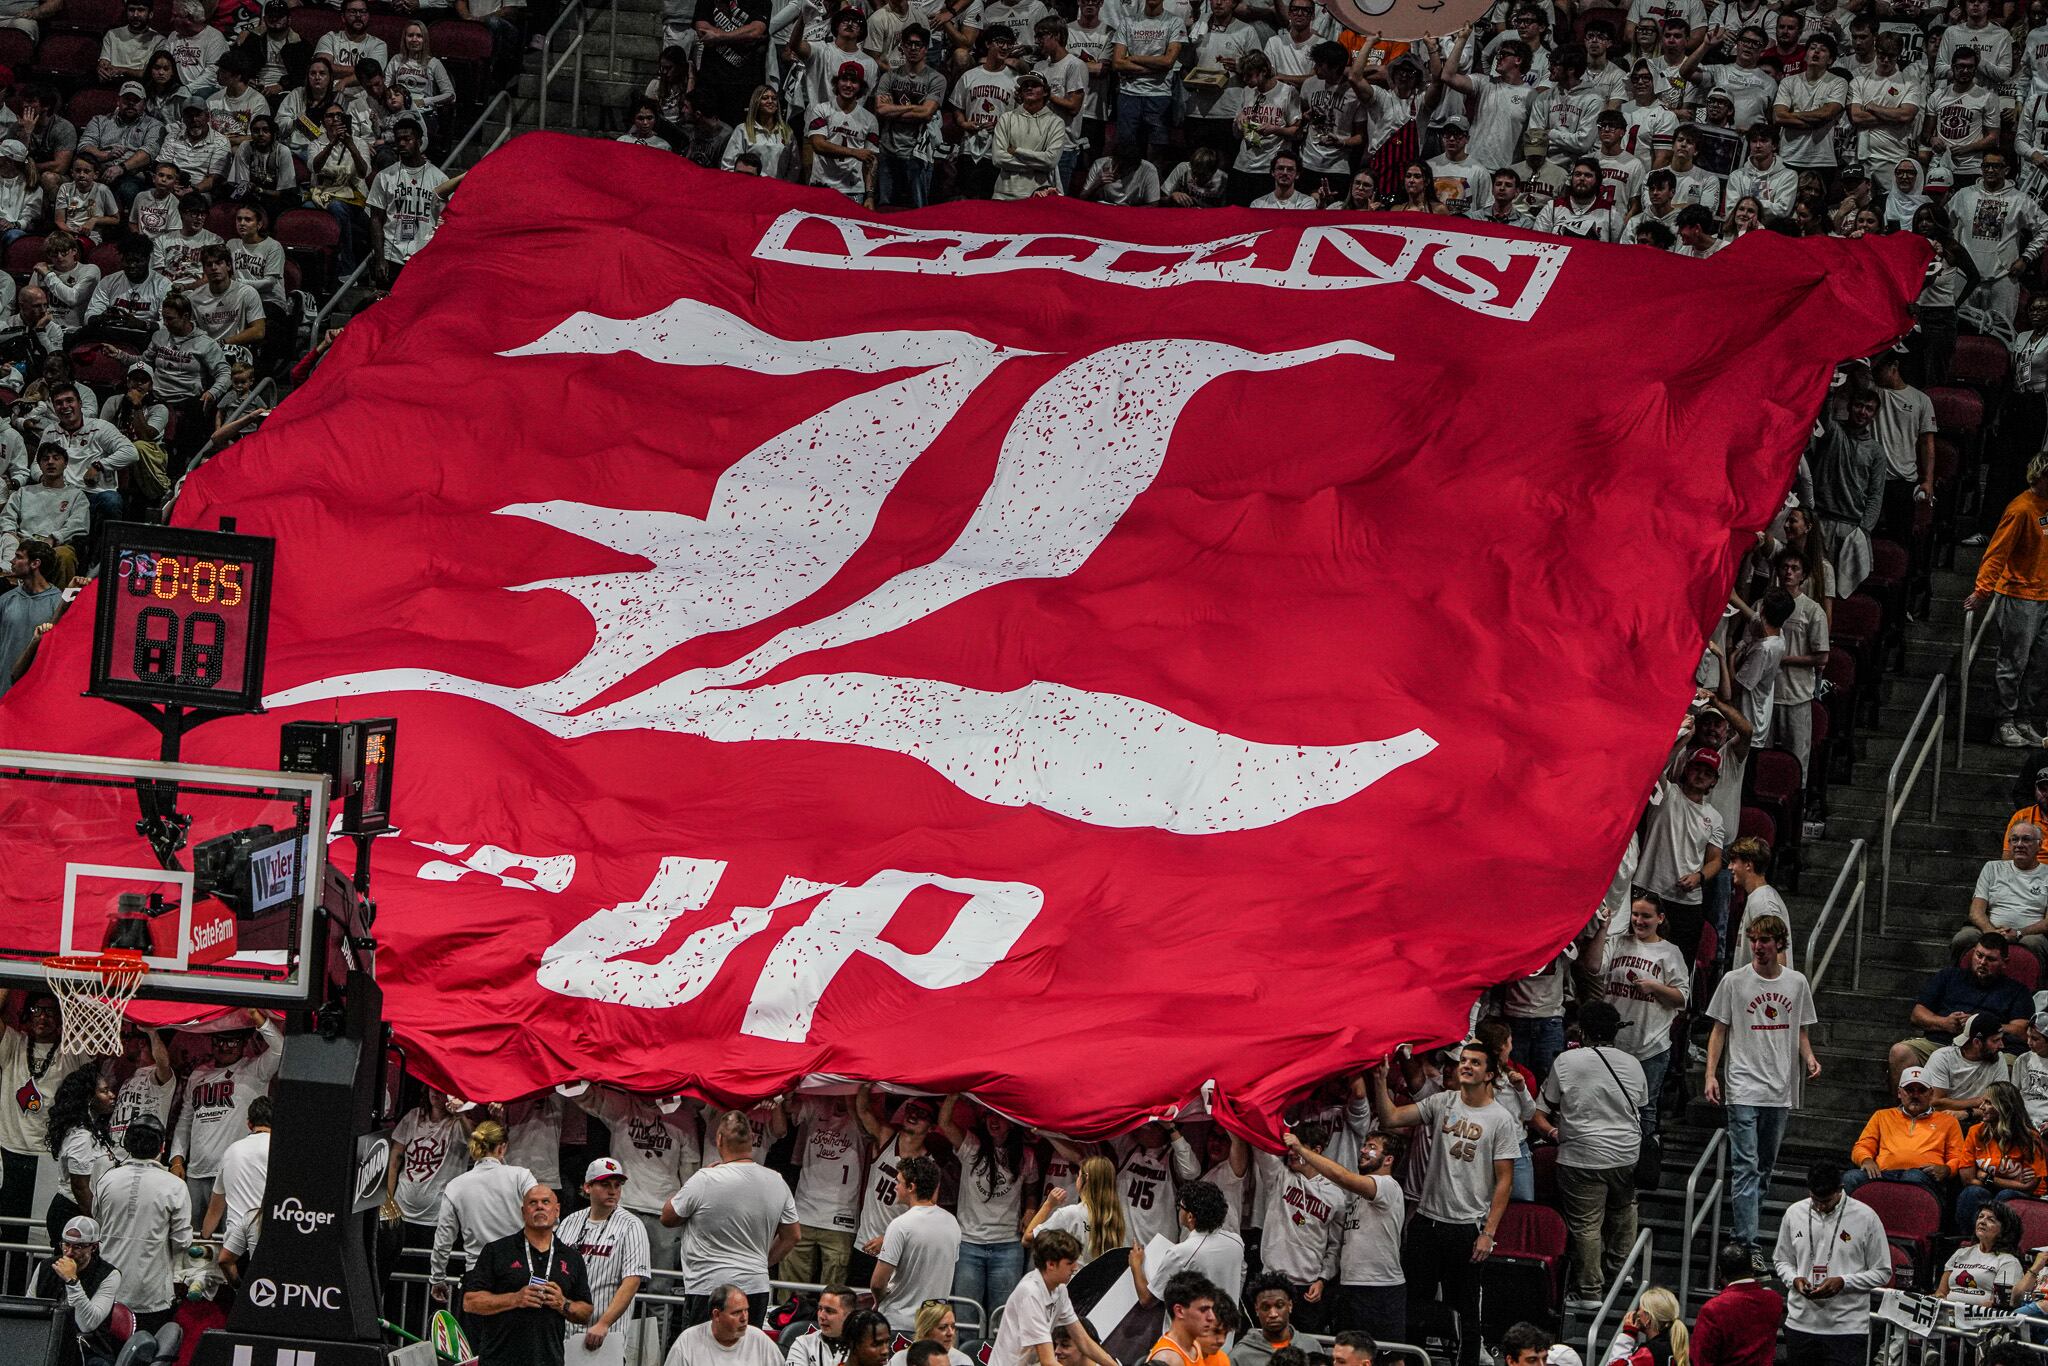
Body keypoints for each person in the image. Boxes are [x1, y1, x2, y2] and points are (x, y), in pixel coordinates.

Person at [1371, 1041, 1516, 1366]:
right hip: (1426, 1220)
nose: (1465, 1066)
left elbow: (1505, 1180)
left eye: (1475, 1062)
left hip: (1466, 1227)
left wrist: (1488, 1233)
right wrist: (1380, 1081)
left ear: (1490, 1074)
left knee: (1466, 1312)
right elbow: (1390, 1117)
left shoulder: (1500, 1118)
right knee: (1414, 1305)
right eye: (1464, 1060)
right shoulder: (1442, 1101)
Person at [1704, 914, 1819, 1270]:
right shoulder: (1734, 981)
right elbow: (1719, 1029)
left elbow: (1800, 1028)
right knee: (1746, 1166)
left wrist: (1810, 1057)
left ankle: (1743, 1230)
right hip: (1743, 1085)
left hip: (1779, 1086)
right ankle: (1747, 1242)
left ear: (1779, 943)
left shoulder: (1796, 982)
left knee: (1764, 1167)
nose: (1758, 946)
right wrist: (1710, 1074)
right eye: (1753, 940)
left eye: (1765, 940)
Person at [1535, 1001, 1645, 1310]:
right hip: (1625, 1153)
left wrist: (1553, 1133)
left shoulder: (1567, 1061)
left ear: (1582, 1031)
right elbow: (1642, 1104)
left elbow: (1546, 1105)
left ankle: (1589, 1292)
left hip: (1580, 1155)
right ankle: (1622, 1271)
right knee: (1624, 1210)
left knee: (1586, 1225)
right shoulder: (1632, 1063)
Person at [662, 1109, 799, 1326]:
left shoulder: (705, 1179)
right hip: (754, 1285)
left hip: (709, 1286)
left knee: (703, 1347)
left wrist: (695, 1182)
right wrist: (762, 1262)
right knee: (745, 1347)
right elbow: (792, 1236)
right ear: (752, 1139)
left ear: (719, 1139)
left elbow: (668, 1218)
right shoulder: (777, 1181)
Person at [1286, 1129, 1404, 1343]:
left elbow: (1342, 1177)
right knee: (1347, 1351)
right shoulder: (1359, 1197)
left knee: (1388, 1355)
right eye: (1364, 1145)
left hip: (1379, 1287)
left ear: (1388, 1159)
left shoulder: (1388, 1186)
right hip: (1351, 1285)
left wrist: (1300, 1149)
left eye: (1372, 1147)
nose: (1363, 1150)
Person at [463, 1184, 594, 1366]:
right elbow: (470, 1302)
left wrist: (563, 1304)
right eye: (533, 1202)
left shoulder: (572, 1258)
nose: (539, 1206)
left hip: (549, 1360)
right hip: (499, 1360)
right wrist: (515, 1299)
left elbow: (586, 1313)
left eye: (546, 1202)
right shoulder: (497, 1250)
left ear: (557, 1210)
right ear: (523, 1212)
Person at [1771, 1159, 1887, 1365]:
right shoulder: (1794, 1213)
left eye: (1826, 1200)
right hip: (1800, 1324)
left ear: (1840, 1189)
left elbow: (1883, 1271)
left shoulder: (1866, 1217)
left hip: (1847, 1329)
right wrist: (1794, 1280)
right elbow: (1781, 1260)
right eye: (1815, 1199)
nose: (1821, 1206)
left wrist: (1844, 1282)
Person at [168, 1010, 279, 1223]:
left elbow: (280, 1048)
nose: (224, 1047)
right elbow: (185, 1121)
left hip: (235, 1173)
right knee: (191, 1235)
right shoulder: (198, 1073)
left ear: (244, 1043)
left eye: (232, 1042)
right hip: (196, 1172)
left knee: (230, 1237)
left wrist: (257, 1016)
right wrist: (177, 1160)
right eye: (219, 1041)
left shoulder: (255, 1069)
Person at [1969, 452, 2048, 746]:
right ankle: (2004, 722)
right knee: (2014, 661)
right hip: (2019, 594)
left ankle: (2024, 719)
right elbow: (1997, 553)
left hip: (2045, 593)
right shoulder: (2020, 509)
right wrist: (1982, 590)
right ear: (2041, 476)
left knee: (2041, 663)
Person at [91, 1120, 189, 1335]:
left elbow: (97, 1225)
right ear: (162, 1147)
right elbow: (182, 1241)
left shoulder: (107, 1180)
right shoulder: (176, 1186)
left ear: (127, 1144)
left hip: (108, 1290)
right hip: (152, 1294)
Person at [1891, 934, 2034, 1078]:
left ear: (2004, 962)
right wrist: (1944, 1023)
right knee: (1900, 1052)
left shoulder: (2017, 990)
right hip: (1942, 1043)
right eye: (1979, 955)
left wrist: (1980, 1025)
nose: (1982, 962)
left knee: (2010, 1065)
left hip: (1991, 1052)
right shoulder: (1948, 976)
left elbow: (2021, 1030)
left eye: (1990, 959)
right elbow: (1917, 1014)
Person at [937, 1095, 1032, 1313]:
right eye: (989, 1114)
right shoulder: (971, 1146)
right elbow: (944, 1122)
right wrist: (954, 1094)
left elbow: (1032, 1190)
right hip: (969, 1244)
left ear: (1012, 1121)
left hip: (1008, 1245)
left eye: (1000, 1115)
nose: (993, 1120)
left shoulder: (1026, 1156)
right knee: (965, 1314)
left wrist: (1031, 1209)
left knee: (1003, 1316)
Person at [0, 990, 80, 1237]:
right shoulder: (14, 1042)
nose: (42, 1017)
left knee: (43, 1235)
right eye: (36, 1010)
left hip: (50, 1156)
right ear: (27, 1014)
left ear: (61, 1016)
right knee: (9, 1231)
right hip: (11, 1150)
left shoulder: (72, 1050)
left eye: (50, 1011)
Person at [431, 1120, 540, 1298]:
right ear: (502, 1147)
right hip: (519, 1272)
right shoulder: (522, 1176)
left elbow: (443, 1238)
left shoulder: (455, 1186)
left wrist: (437, 1278)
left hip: (477, 1275)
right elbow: (543, 1216)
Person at [556, 1157, 649, 1361]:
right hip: (564, 1331)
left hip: (605, 1335)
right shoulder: (570, 1221)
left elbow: (632, 1281)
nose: (613, 1191)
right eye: (605, 1184)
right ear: (587, 1187)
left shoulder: (632, 1225)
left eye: (617, 1185)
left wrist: (603, 1324)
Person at [989, 1229, 1118, 1366]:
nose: (1075, 1268)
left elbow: (1083, 1341)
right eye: (1069, 1263)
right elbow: (1048, 1362)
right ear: (1050, 1264)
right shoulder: (1030, 1293)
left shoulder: (1060, 1289)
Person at [1131, 1176, 1244, 1323]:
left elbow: (1146, 1300)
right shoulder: (1237, 1242)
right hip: (1224, 1334)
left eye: (1180, 1207)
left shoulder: (1181, 1253)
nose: (1178, 1210)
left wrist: (1136, 1265)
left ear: (1190, 1217)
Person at [1844, 1066, 1962, 1197]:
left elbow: (1957, 1157)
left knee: (1912, 1176)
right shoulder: (1882, 1116)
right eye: (1909, 1090)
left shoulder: (1948, 1121)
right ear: (1899, 1093)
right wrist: (1866, 1160)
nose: (1915, 1095)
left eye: (1921, 1090)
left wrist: (1947, 1169)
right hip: (1883, 1174)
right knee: (1851, 1177)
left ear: (1931, 1093)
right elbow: (1862, 1146)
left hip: (1924, 1176)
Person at [872, 1153, 960, 1329]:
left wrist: (878, 1301)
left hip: (899, 1323)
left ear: (911, 1187)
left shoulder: (900, 1225)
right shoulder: (952, 1223)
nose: (895, 1187)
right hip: (933, 1324)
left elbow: (877, 1283)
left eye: (899, 1182)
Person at [34, 1213, 125, 1366]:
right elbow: (31, 1308)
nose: (69, 1252)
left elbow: (87, 1324)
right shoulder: (45, 1267)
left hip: (88, 1348)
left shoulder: (109, 1275)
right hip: (46, 1341)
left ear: (93, 1247)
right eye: (66, 1244)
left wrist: (72, 1282)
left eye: (78, 1247)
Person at [366, 118, 448, 287]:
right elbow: (375, 219)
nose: (402, 144)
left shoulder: (439, 179)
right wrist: (379, 258)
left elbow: (445, 222)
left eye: (407, 139)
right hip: (391, 255)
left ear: (419, 142)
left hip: (424, 256)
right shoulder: (384, 176)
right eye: (398, 140)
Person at [43, 1066, 117, 1248]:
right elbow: (80, 1188)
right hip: (73, 1213)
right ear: (88, 1098)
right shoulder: (81, 1136)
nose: (112, 1095)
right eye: (104, 1091)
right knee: (69, 1264)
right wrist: (97, 1225)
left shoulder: (92, 1130)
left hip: (81, 1211)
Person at [1954, 1080, 2047, 1224]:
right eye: (1983, 1102)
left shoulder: (2029, 1137)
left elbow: (2029, 1186)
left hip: (2027, 1197)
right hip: (1989, 1191)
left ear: (2004, 1106)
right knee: (1972, 1192)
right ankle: (1968, 1237)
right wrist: (2012, 1182)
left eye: (1988, 1103)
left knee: (2006, 1195)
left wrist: (1987, 1177)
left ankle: (2003, 1237)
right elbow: (1968, 1180)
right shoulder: (1975, 1132)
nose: (1981, 1107)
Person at [1687, 1241, 1783, 1366]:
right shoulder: (1774, 1300)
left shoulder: (1713, 1309)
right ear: (1752, 1268)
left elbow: (1700, 1359)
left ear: (1720, 1272)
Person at [1023, 1154, 1125, 1260]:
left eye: (1079, 1174)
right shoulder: (1115, 1216)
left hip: (1075, 1271)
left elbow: (1027, 1239)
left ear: (1086, 1178)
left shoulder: (1070, 1214)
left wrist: (1048, 1205)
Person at [1938, 1201, 2024, 1307]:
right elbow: (1941, 1293)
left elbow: (2000, 1304)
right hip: (1947, 1312)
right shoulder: (1961, 1253)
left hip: (1978, 1315)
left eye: (1991, 1220)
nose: (1982, 1221)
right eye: (1980, 1217)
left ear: (2004, 1230)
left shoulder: (2009, 1262)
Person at [1926, 1012, 2013, 1112]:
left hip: (1982, 1117)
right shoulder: (1942, 1058)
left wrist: (1969, 1113)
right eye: (1995, 1040)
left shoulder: (1997, 1057)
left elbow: (2000, 1102)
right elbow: (1935, 1103)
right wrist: (1978, 1101)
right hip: (1946, 1117)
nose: (2002, 1045)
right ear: (1977, 1042)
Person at [1602, 1287, 1688, 1366]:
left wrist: (1628, 1335)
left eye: (1639, 1309)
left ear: (1648, 1317)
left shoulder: (1650, 1352)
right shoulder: (1676, 1345)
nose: (1637, 1313)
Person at [1147, 1273, 1218, 1366]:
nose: (1211, 1317)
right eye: (1203, 1309)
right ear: (1179, 1311)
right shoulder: (1168, 1359)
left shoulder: (1196, 1346)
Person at [1228, 1276, 1296, 1366]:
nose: (1273, 1314)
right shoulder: (1239, 1356)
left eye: (1279, 1305)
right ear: (1256, 1309)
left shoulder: (1309, 1346)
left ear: (1290, 1305)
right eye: (1265, 1307)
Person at [786, 1286, 857, 1366]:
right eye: (820, 1309)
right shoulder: (803, 1344)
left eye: (829, 1311)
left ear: (849, 1316)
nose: (821, 1316)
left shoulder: (862, 1346)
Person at [886, 1302, 974, 1366]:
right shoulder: (900, 1359)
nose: (951, 1333)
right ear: (925, 1331)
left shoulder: (963, 1361)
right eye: (942, 1327)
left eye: (953, 1326)